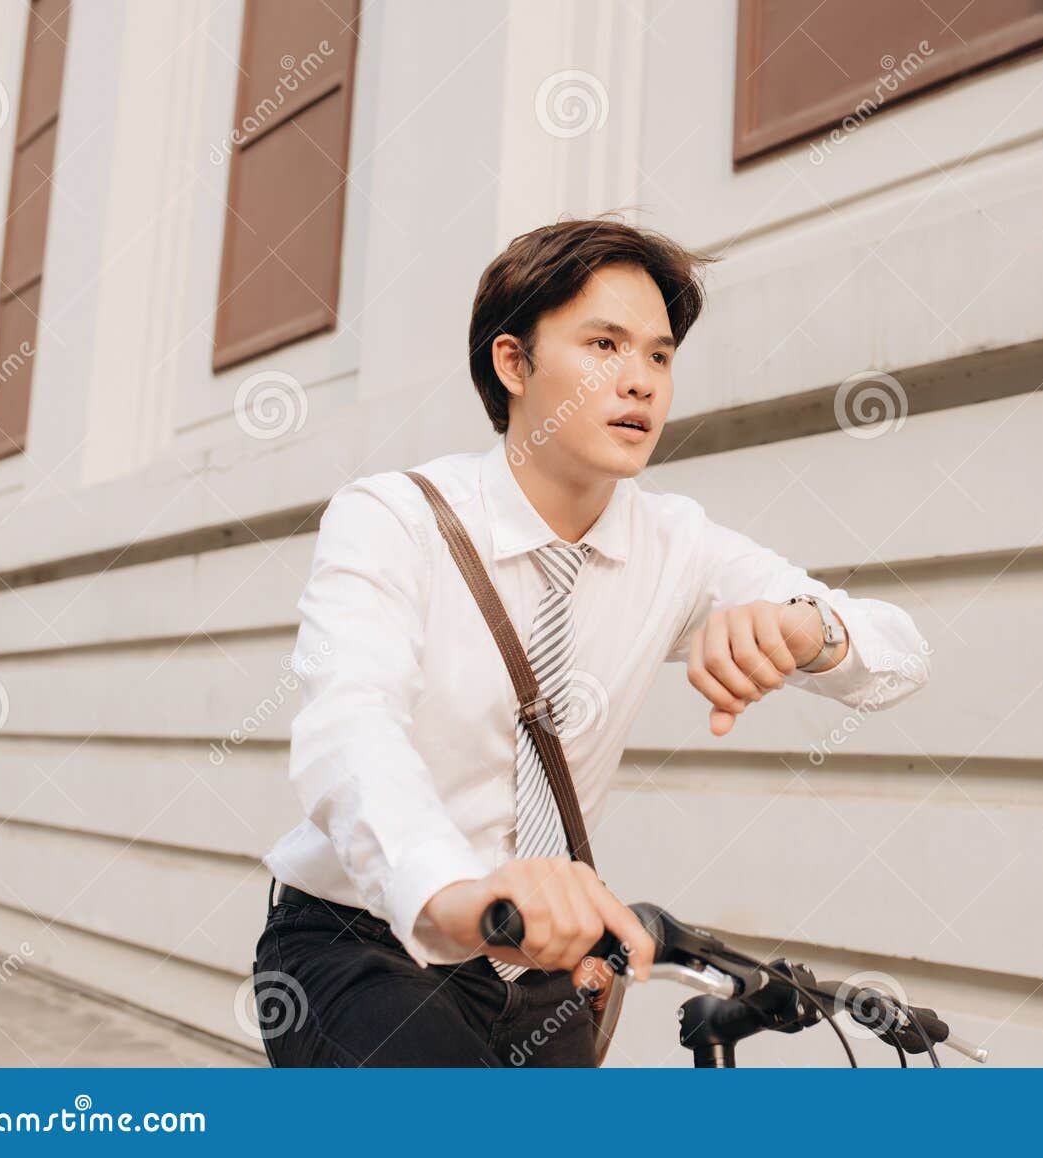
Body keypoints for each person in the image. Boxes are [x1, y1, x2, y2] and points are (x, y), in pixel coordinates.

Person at [252, 215, 932, 1067]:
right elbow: (349, 731)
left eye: (658, 355)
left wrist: (806, 629)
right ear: (514, 364)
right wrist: (459, 893)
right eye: (604, 344)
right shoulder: (392, 519)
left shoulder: (674, 544)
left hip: (544, 973)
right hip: (363, 944)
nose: (640, 381)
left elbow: (900, 655)